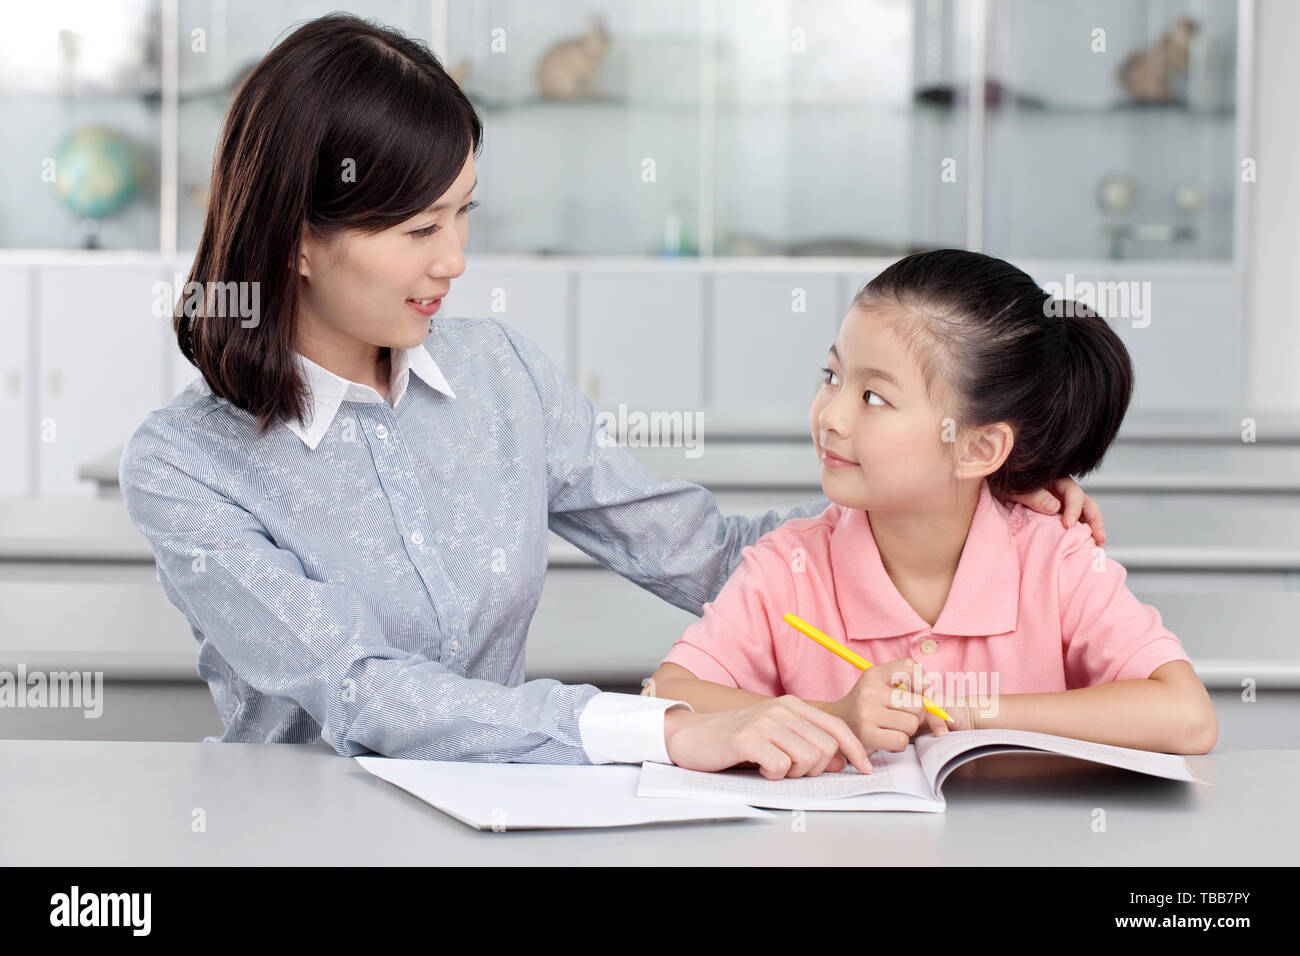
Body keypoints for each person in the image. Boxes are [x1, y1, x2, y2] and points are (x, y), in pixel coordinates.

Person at [119, 14, 1107, 776]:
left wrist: (955, 507)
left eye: (464, 215)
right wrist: (674, 729)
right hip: (298, 834)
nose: (455, 261)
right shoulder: (184, 465)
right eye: (419, 231)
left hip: (501, 813)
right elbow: (363, 692)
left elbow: (708, 555)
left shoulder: (497, 373)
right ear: (299, 233)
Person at [648, 249, 1218, 771]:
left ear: (977, 449)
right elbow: (670, 693)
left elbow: (1187, 716)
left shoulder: (1056, 557)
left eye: (874, 397)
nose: (831, 416)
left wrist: (968, 709)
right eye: (832, 376)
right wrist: (837, 714)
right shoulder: (787, 564)